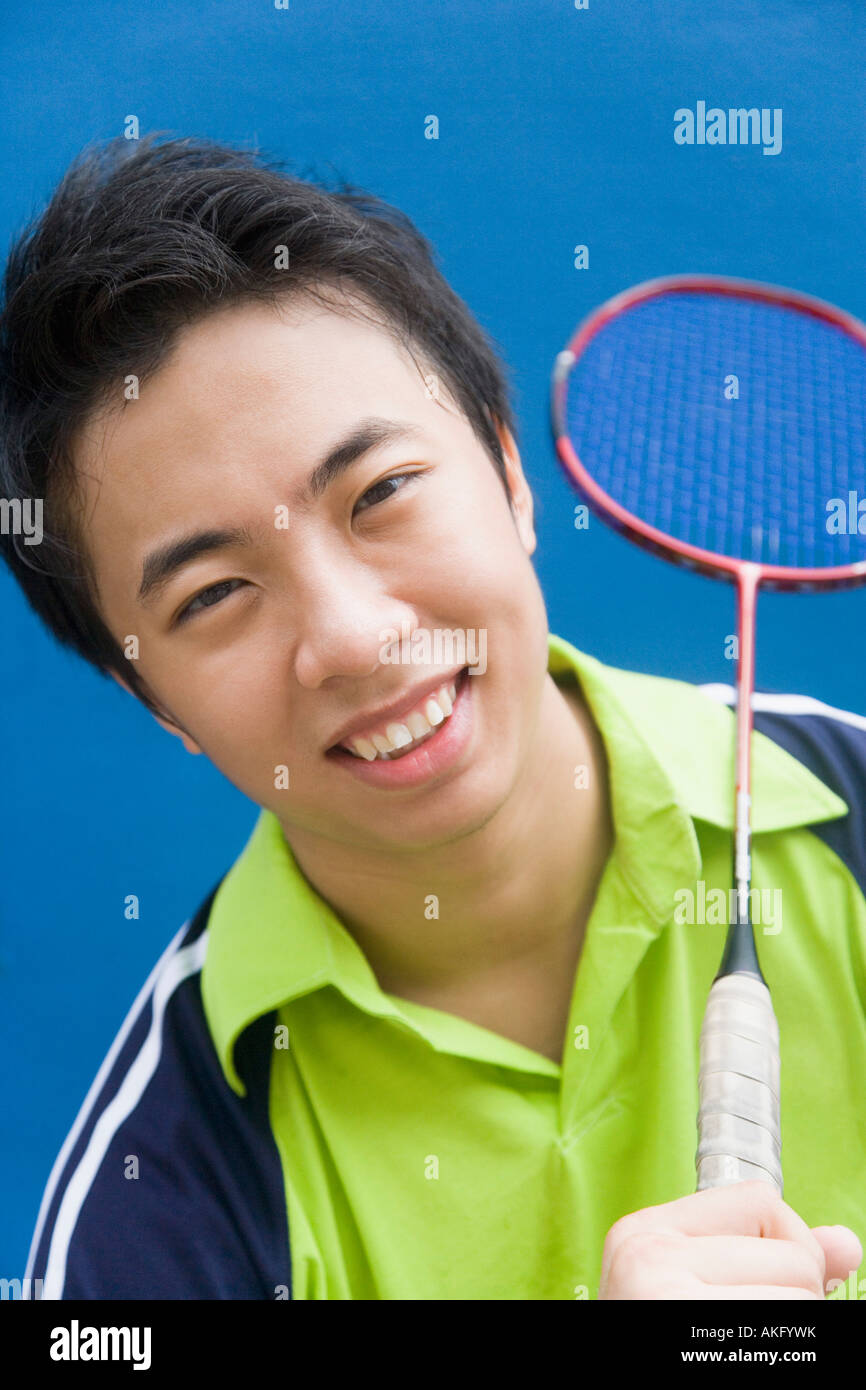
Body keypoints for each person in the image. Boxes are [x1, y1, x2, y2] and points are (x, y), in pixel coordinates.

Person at [3, 133, 864, 1301]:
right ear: (154, 697)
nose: (353, 639)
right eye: (211, 595)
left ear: (510, 475)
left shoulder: (848, 817)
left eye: (380, 494)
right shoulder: (150, 1216)